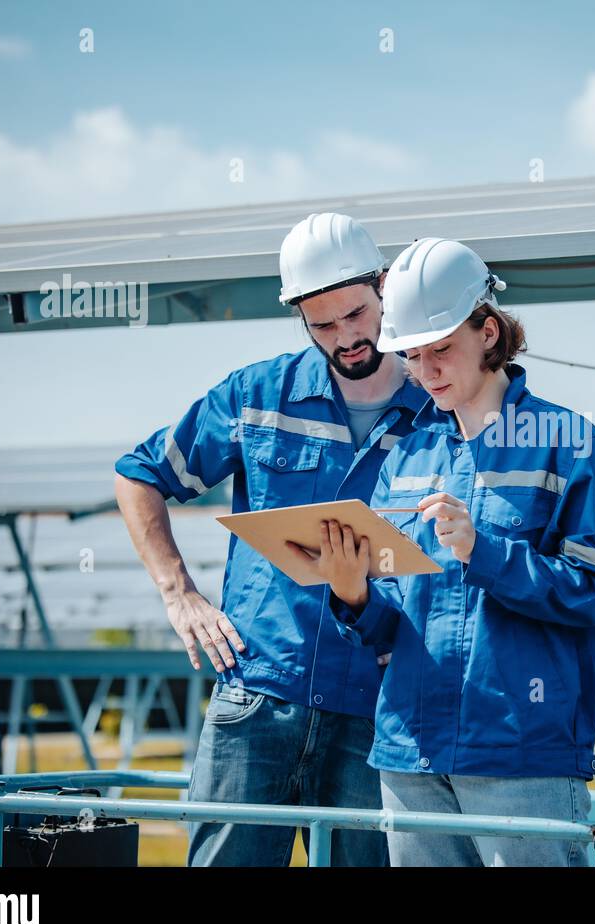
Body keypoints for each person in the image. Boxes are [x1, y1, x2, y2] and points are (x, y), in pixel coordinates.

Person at [114, 212, 427, 866]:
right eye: (323, 324)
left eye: (357, 314)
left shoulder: (435, 410)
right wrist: (180, 596)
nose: (346, 337)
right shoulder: (256, 396)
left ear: (385, 287)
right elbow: (139, 475)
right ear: (299, 316)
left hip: (376, 713)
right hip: (254, 696)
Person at [304, 238, 595, 866]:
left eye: (442, 349)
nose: (427, 372)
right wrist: (352, 593)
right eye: (414, 356)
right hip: (408, 752)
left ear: (489, 330)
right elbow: (393, 626)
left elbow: (594, 592)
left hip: (519, 754)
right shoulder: (408, 456)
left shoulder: (569, 443)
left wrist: (485, 552)